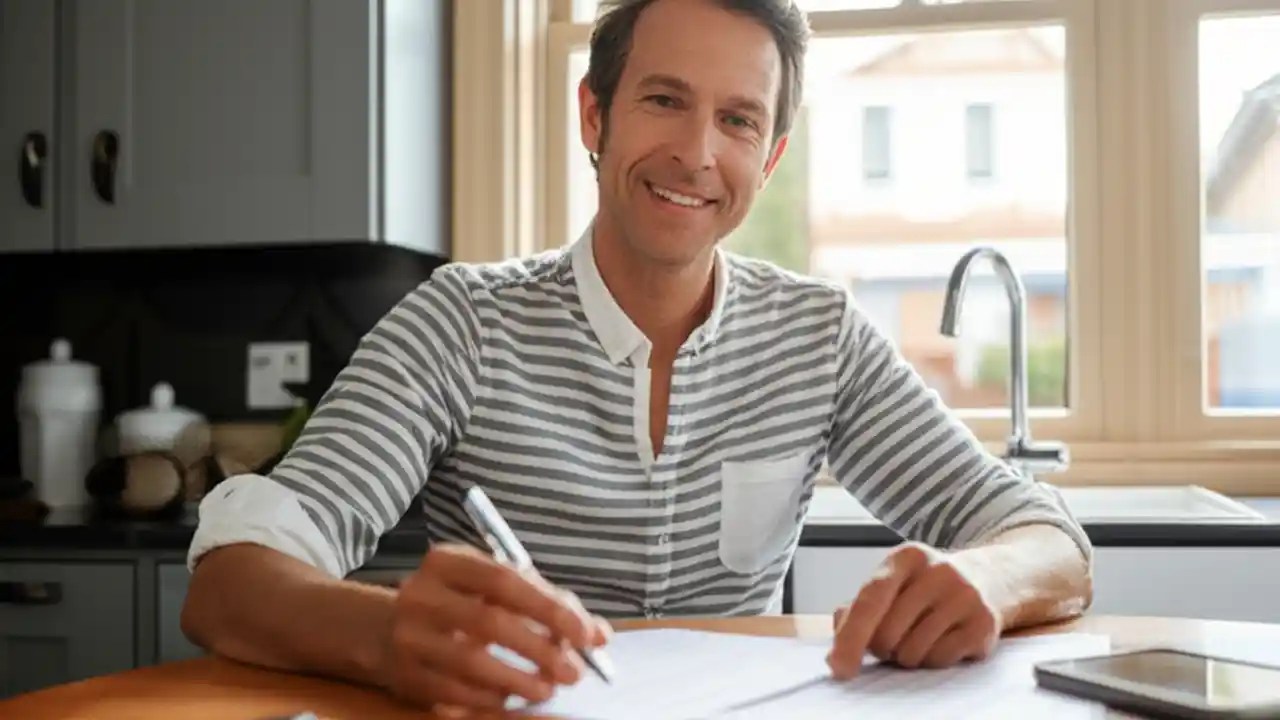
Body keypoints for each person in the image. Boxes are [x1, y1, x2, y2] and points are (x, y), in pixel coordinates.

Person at [181, 0, 1094, 713]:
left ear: (768, 159)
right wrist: (385, 636)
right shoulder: (463, 323)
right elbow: (231, 580)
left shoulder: (820, 338)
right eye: (664, 100)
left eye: (738, 121)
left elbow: (1053, 543)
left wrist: (983, 575)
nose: (697, 154)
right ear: (594, 115)